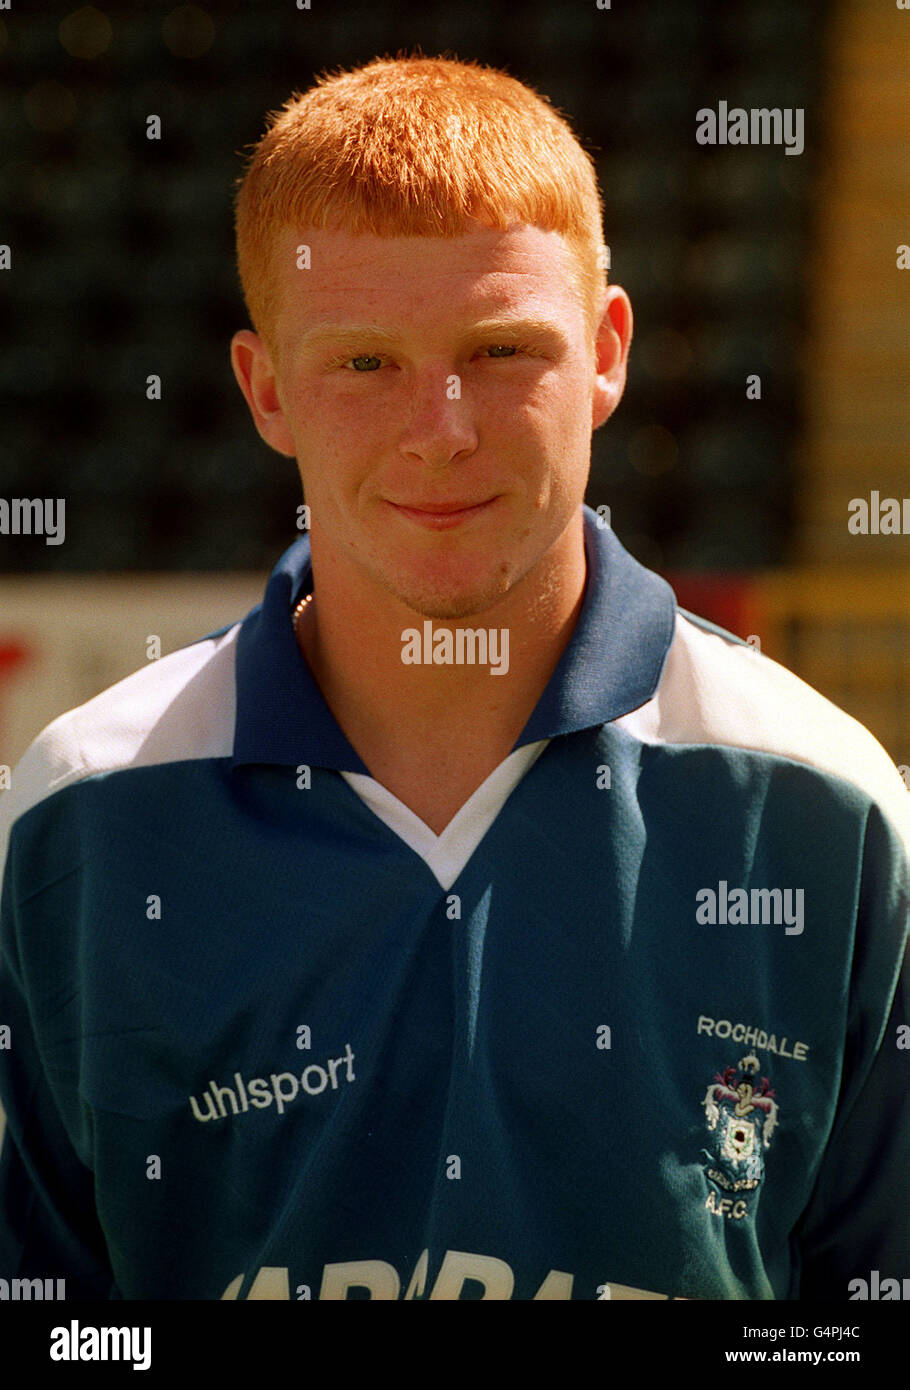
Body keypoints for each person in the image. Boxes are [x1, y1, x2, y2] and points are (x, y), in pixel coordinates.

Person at [0, 54, 906, 1302]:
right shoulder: (80, 815)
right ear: (265, 390)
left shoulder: (820, 807)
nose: (443, 428)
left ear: (605, 351)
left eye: (498, 350)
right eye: (364, 363)